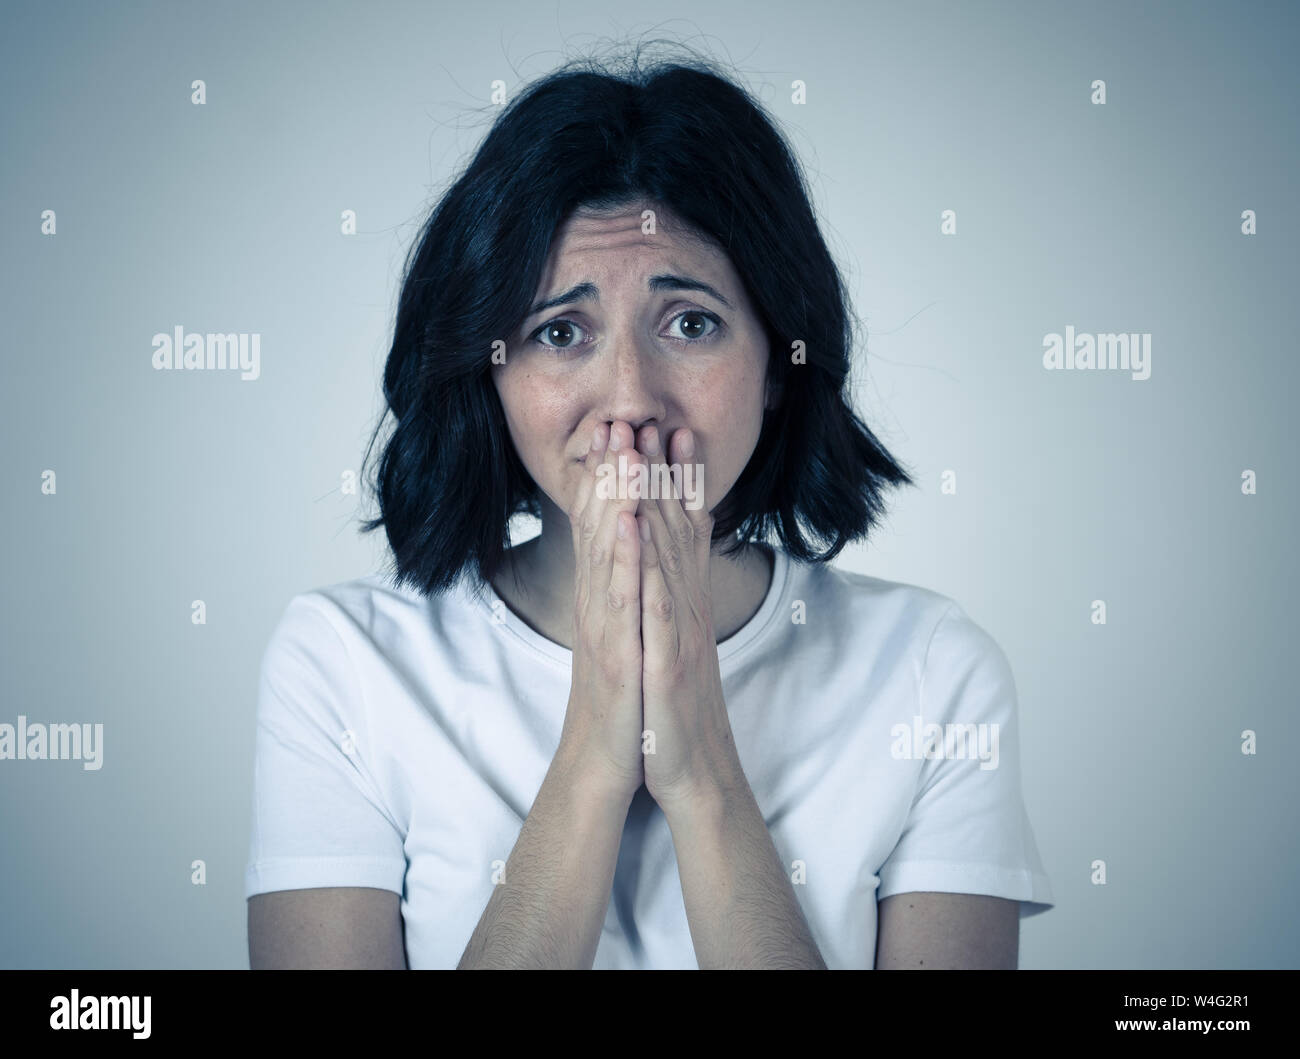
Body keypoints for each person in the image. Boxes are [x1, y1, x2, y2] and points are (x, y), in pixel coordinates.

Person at [244, 46, 1053, 969]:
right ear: (491, 371)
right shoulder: (342, 664)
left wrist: (701, 768)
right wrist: (595, 745)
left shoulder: (933, 673)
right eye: (560, 332)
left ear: (780, 366)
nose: (629, 396)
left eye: (691, 323)